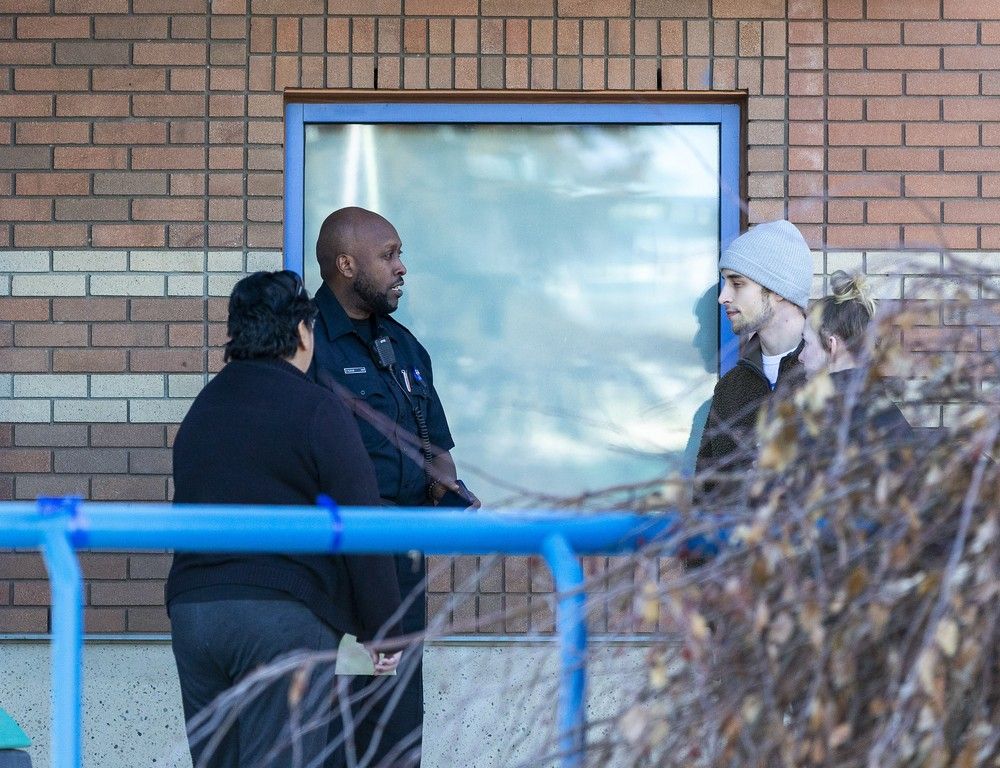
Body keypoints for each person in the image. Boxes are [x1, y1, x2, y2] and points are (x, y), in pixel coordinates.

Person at [167, 270, 403, 768]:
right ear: (301, 332)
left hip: (195, 616)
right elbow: (362, 525)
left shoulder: (202, 411)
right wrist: (385, 630)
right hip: (282, 617)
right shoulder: (317, 409)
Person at [309, 207, 477, 767]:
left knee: (398, 726)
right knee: (338, 723)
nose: (401, 268)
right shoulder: (305, 345)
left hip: (399, 572)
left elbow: (440, 454)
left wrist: (445, 490)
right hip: (337, 573)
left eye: (400, 254)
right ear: (345, 263)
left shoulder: (405, 347)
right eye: (389, 256)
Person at [695, 219, 815, 507]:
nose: (724, 297)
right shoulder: (730, 389)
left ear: (778, 290)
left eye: (737, 283)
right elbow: (704, 499)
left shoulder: (831, 376)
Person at [798, 269, 913, 445]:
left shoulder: (820, 420)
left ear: (832, 345)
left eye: (806, 344)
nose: (800, 356)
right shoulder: (889, 414)